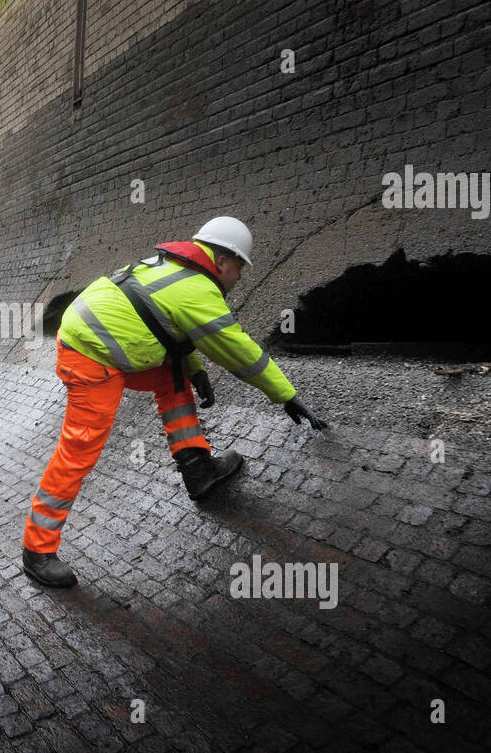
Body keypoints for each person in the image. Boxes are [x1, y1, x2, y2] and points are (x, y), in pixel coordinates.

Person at [21, 216, 329, 587]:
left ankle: (198, 470)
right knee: (79, 450)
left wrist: (194, 368)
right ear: (220, 260)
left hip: (100, 342)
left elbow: (163, 322)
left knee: (174, 376)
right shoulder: (198, 290)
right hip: (92, 357)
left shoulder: (169, 267)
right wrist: (287, 396)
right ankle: (37, 551)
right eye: (238, 268)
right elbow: (240, 352)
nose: (239, 277)